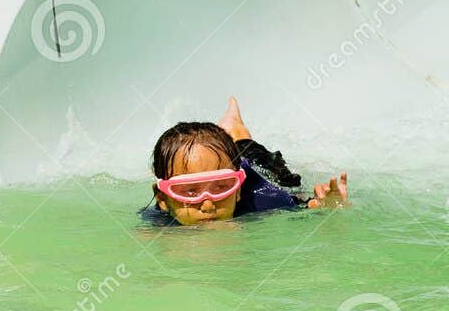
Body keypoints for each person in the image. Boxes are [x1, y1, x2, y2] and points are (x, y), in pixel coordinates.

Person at [140, 97, 349, 227]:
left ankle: (237, 129)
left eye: (222, 186)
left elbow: (306, 207)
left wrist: (325, 206)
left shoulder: (267, 200)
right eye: (189, 191)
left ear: (238, 190)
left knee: (282, 176)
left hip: (250, 166)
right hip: (226, 161)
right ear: (162, 198)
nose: (208, 204)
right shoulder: (158, 221)